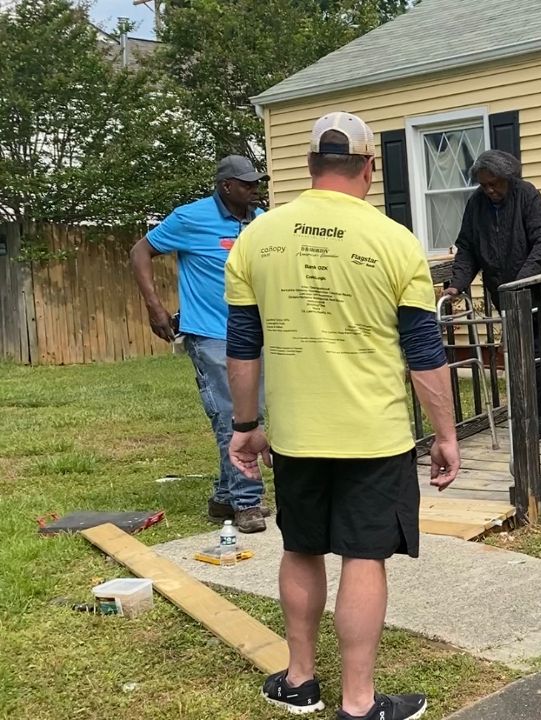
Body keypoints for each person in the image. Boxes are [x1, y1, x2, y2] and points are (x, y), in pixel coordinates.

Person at [224, 111, 461, 720]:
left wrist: (246, 426)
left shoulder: (258, 236)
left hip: (297, 435)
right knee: (364, 555)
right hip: (372, 435)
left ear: (308, 167)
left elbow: (243, 344)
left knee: (301, 548)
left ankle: (300, 680)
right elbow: (424, 352)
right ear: (369, 168)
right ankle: (358, 703)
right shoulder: (394, 240)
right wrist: (445, 435)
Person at [129, 155, 271, 533]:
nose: (255, 189)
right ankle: (247, 502)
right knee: (233, 416)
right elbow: (139, 251)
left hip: (253, 335)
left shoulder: (258, 222)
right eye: (247, 184)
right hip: (210, 333)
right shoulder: (190, 218)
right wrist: (155, 308)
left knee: (253, 412)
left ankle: (224, 497)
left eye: (257, 182)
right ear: (226, 186)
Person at [443, 149, 541, 439]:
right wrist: (457, 283)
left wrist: (520, 281)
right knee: (530, 361)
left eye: (494, 183)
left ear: (508, 178)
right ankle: (540, 423)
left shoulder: (527, 195)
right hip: (511, 300)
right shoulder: (476, 205)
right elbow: (467, 247)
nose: (490, 190)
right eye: (483, 185)